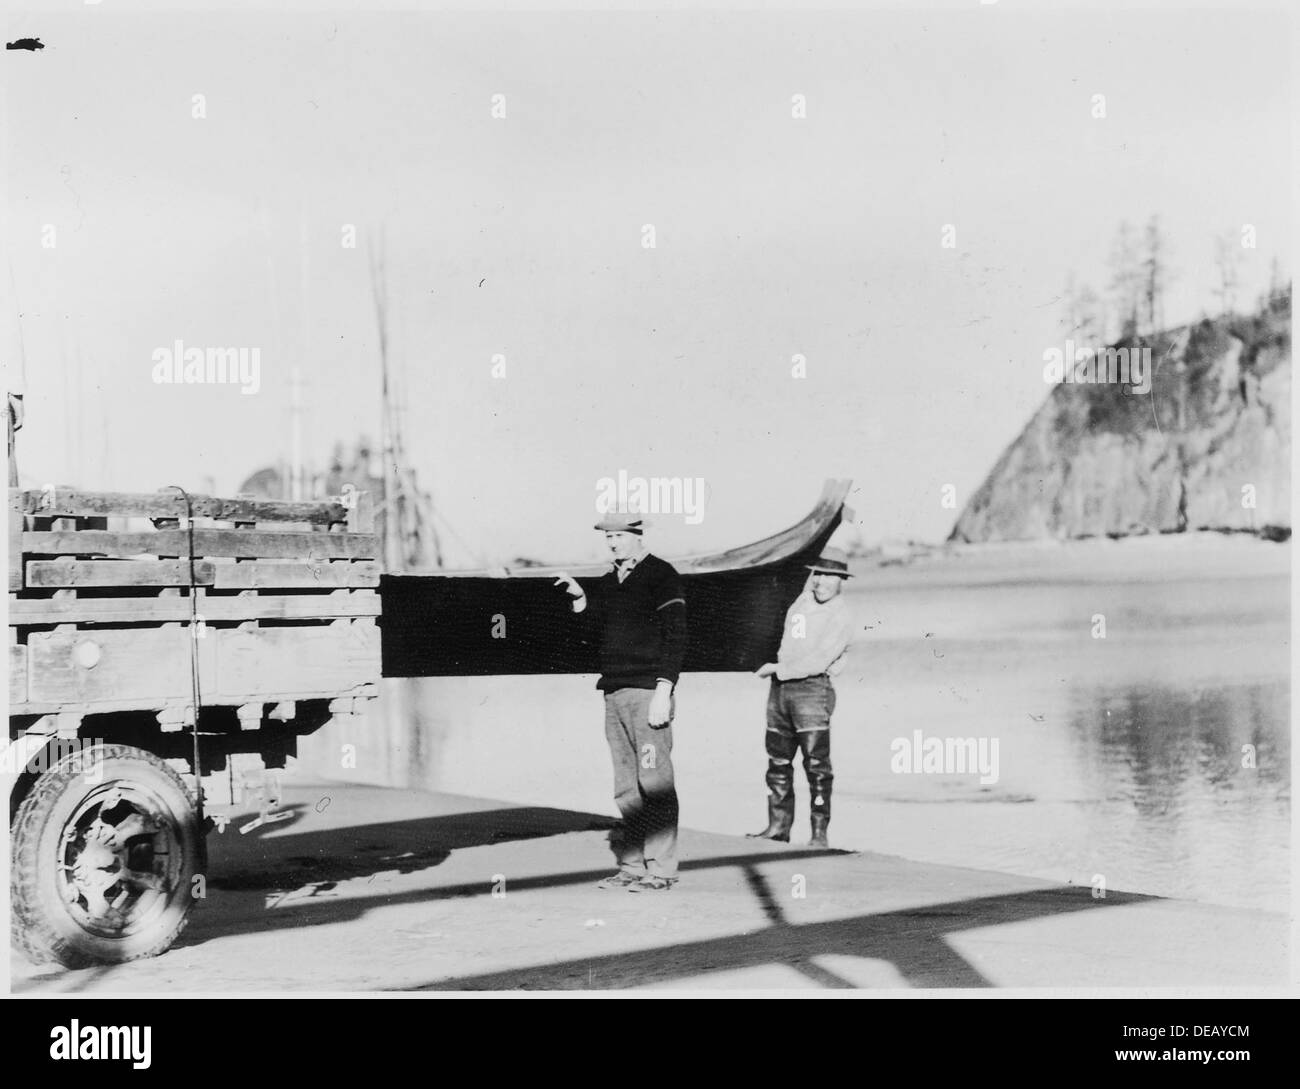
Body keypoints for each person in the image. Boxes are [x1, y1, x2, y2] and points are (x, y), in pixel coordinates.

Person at [554, 513, 687, 891]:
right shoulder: (609, 581)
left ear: (637, 536)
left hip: (647, 694)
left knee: (654, 780)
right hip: (613, 693)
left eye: (619, 536)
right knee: (626, 785)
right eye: (608, 536)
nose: (612, 542)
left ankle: (660, 869)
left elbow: (676, 634)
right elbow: (595, 632)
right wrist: (581, 600)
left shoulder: (662, 575)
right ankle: (632, 866)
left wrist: (664, 690)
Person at [748, 547, 854, 848]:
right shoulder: (802, 602)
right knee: (777, 762)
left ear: (841, 580)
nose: (820, 581)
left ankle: (819, 834)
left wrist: (776, 669)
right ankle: (778, 828)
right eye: (817, 574)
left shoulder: (841, 616)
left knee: (817, 766)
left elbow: (818, 662)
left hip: (812, 691)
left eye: (829, 576)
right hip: (780, 692)